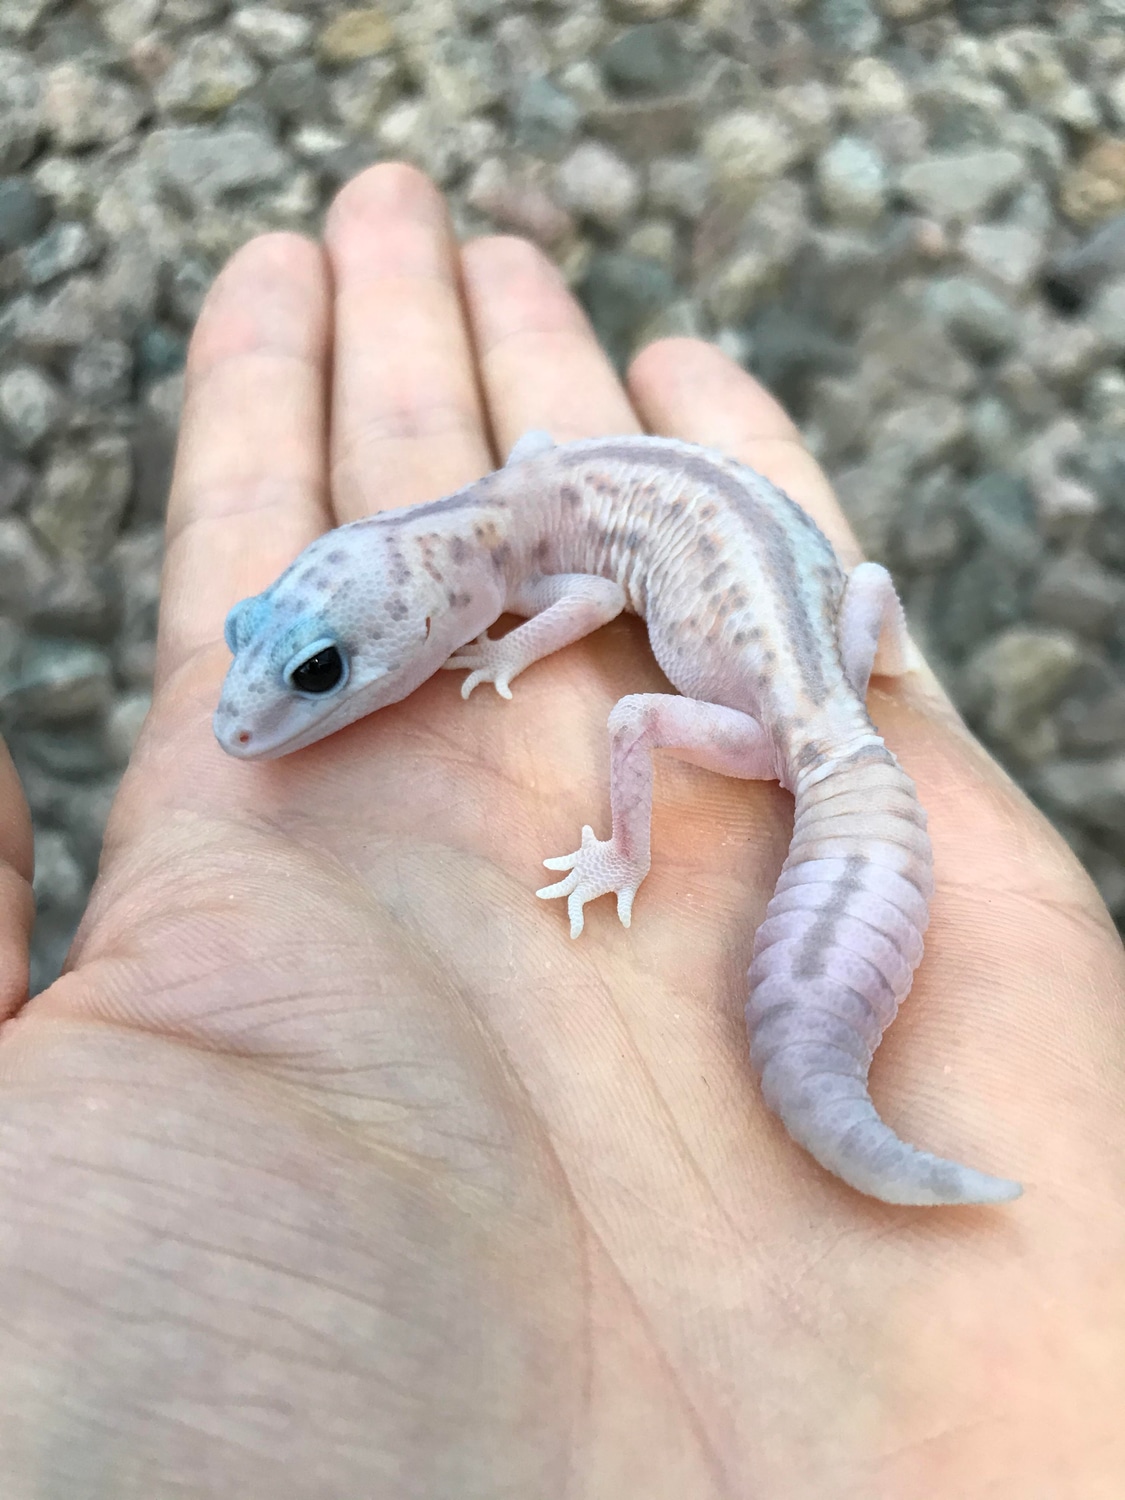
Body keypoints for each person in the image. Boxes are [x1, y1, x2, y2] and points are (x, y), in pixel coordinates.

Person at [0, 164, 1122, 1497]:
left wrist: (579, 788)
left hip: (781, 718)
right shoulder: (523, 501)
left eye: (318, 676)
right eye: (277, 651)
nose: (248, 720)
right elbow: (596, 569)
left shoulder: (518, 550)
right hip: (827, 645)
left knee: (634, 724)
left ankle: (660, 871)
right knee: (833, 606)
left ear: (435, 609)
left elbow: (588, 597)